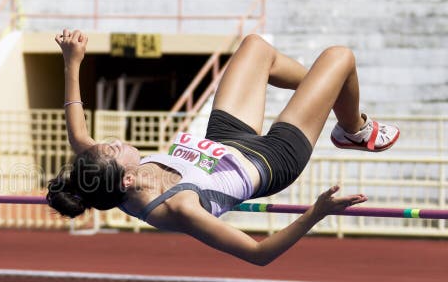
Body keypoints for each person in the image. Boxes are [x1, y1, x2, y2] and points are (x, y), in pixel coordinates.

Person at [47, 29, 400, 266]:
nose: (115, 141)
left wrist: (72, 61)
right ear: (126, 180)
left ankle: (331, 95)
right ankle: (354, 129)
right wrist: (316, 213)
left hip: (223, 140)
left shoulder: (104, 176)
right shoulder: (180, 207)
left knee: (256, 47)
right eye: (112, 149)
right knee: (339, 57)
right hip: (272, 159)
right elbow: (259, 254)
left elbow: (80, 138)